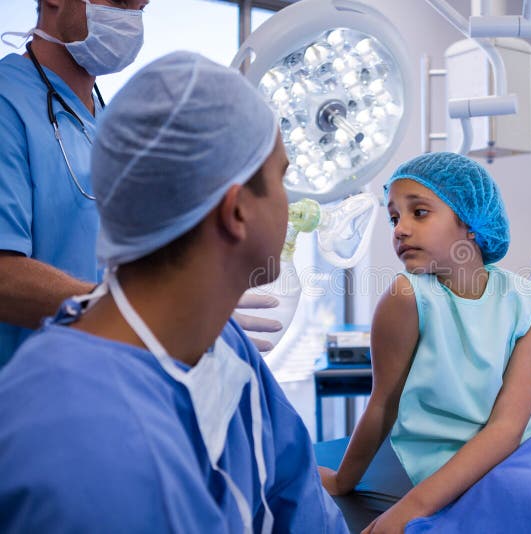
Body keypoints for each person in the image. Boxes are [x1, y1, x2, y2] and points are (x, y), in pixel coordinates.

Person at [0, 51, 347, 533]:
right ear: (237, 212)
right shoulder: (85, 448)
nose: (291, 205)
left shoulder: (223, 344)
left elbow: (300, 503)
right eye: (280, 179)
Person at [319, 152, 531, 532]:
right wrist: (342, 482)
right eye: (394, 218)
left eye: (419, 212)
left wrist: (405, 510)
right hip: (448, 470)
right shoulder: (408, 298)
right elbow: (383, 403)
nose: (400, 229)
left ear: (470, 221)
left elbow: (508, 428)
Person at [0, 0, 149, 367]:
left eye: (140, 8)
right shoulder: (7, 103)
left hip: (107, 377)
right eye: (119, 2)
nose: (130, 21)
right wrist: (133, 312)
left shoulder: (110, 126)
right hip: (27, 387)